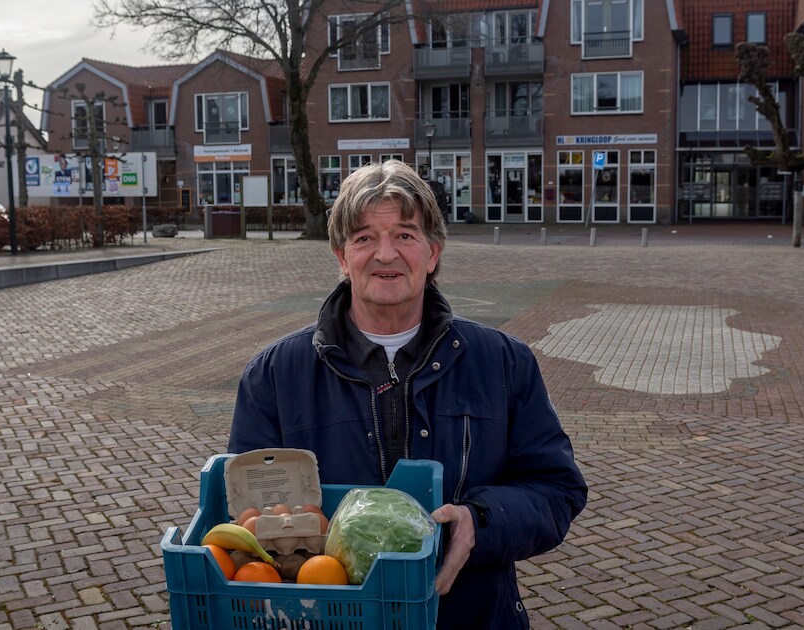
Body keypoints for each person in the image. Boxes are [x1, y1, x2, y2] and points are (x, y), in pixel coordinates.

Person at [228, 160, 587, 629]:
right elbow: (246, 513)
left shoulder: (504, 362)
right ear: (341, 257)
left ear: (432, 252)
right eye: (364, 238)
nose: (385, 254)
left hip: (471, 615)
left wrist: (480, 522)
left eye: (404, 234)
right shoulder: (274, 376)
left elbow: (556, 489)